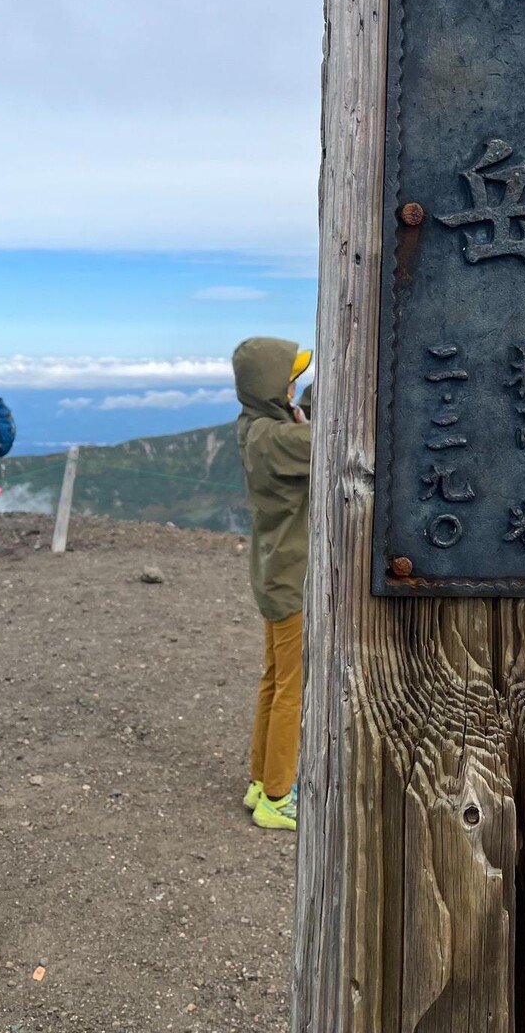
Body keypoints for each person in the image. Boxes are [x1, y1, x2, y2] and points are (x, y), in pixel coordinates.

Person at [233, 338, 313, 831]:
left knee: (274, 680)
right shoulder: (277, 440)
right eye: (290, 380)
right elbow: (339, 435)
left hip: (271, 576)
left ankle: (261, 780)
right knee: (293, 690)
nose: (294, 387)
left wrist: (299, 407)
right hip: (292, 581)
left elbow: (298, 427)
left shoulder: (255, 427)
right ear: (271, 387)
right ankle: (278, 797)